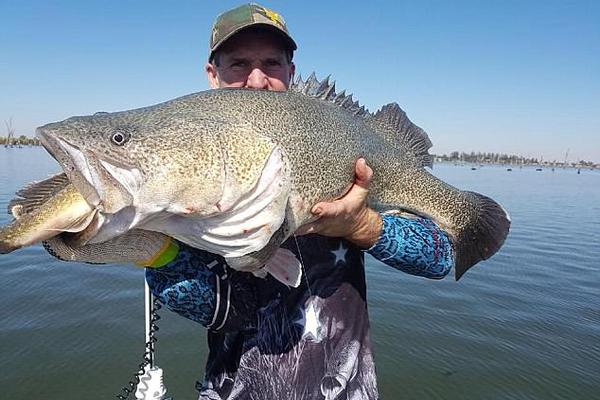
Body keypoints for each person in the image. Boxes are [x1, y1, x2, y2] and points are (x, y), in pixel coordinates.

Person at [45, 4, 454, 399]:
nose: (257, 80)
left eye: (272, 64)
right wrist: (158, 254)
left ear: (290, 72)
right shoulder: (190, 171)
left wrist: (361, 225)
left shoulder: (340, 140)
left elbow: (440, 259)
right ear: (213, 74)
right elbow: (225, 312)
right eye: (239, 64)